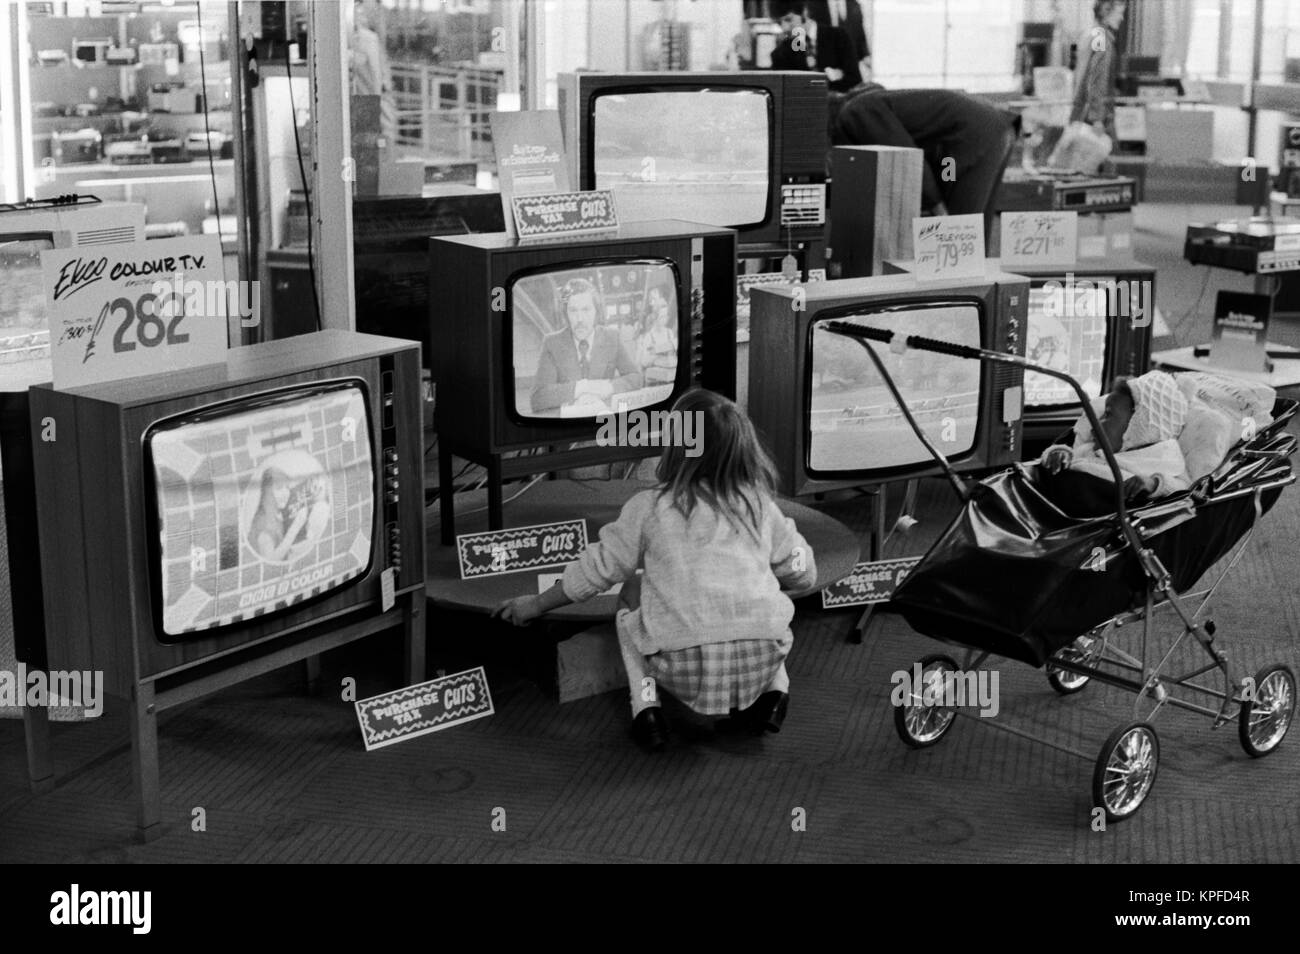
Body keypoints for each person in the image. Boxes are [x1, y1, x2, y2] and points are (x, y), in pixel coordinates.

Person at [494, 389, 818, 752]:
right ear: (744, 445)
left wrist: (536, 605)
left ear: (676, 445)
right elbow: (803, 569)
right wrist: (786, 579)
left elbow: (598, 570)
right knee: (761, 598)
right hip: (763, 660)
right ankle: (776, 695)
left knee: (629, 595)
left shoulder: (649, 507)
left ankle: (646, 710)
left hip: (681, 670)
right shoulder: (761, 506)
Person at [829, 83, 1019, 238]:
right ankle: (974, 281)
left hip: (970, 137)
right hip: (993, 129)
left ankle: (957, 283)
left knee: (957, 231)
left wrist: (936, 207)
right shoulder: (872, 102)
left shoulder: (855, 112)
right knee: (973, 229)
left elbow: (909, 158)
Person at [1034, 370, 1192, 518]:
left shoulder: (1161, 459)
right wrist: (1058, 454)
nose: (1096, 422)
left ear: (1139, 426)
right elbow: (1073, 455)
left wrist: (1153, 484)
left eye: (1108, 414)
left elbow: (1183, 490)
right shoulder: (1091, 449)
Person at [530, 278, 642, 414]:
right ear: (566, 313)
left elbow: (636, 377)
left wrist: (609, 387)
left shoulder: (612, 337)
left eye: (586, 309)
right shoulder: (551, 343)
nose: (580, 319)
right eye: (573, 310)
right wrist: (581, 387)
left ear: (597, 312)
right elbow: (537, 398)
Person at [768, 1, 865, 93]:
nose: (784, 28)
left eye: (788, 20)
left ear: (804, 13)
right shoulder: (781, 53)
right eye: (779, 23)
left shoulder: (838, 37)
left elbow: (855, 81)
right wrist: (832, 76)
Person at [1071, 0, 1127, 140]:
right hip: (1094, 115)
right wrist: (1097, 118)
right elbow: (1097, 78)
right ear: (1106, 12)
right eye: (1119, 13)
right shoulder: (1102, 39)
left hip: (1082, 110)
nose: (1122, 18)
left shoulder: (1092, 33)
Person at [634, 284, 678, 386]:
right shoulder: (648, 334)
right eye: (650, 300)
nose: (652, 303)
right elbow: (642, 362)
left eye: (654, 299)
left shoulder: (670, 332)